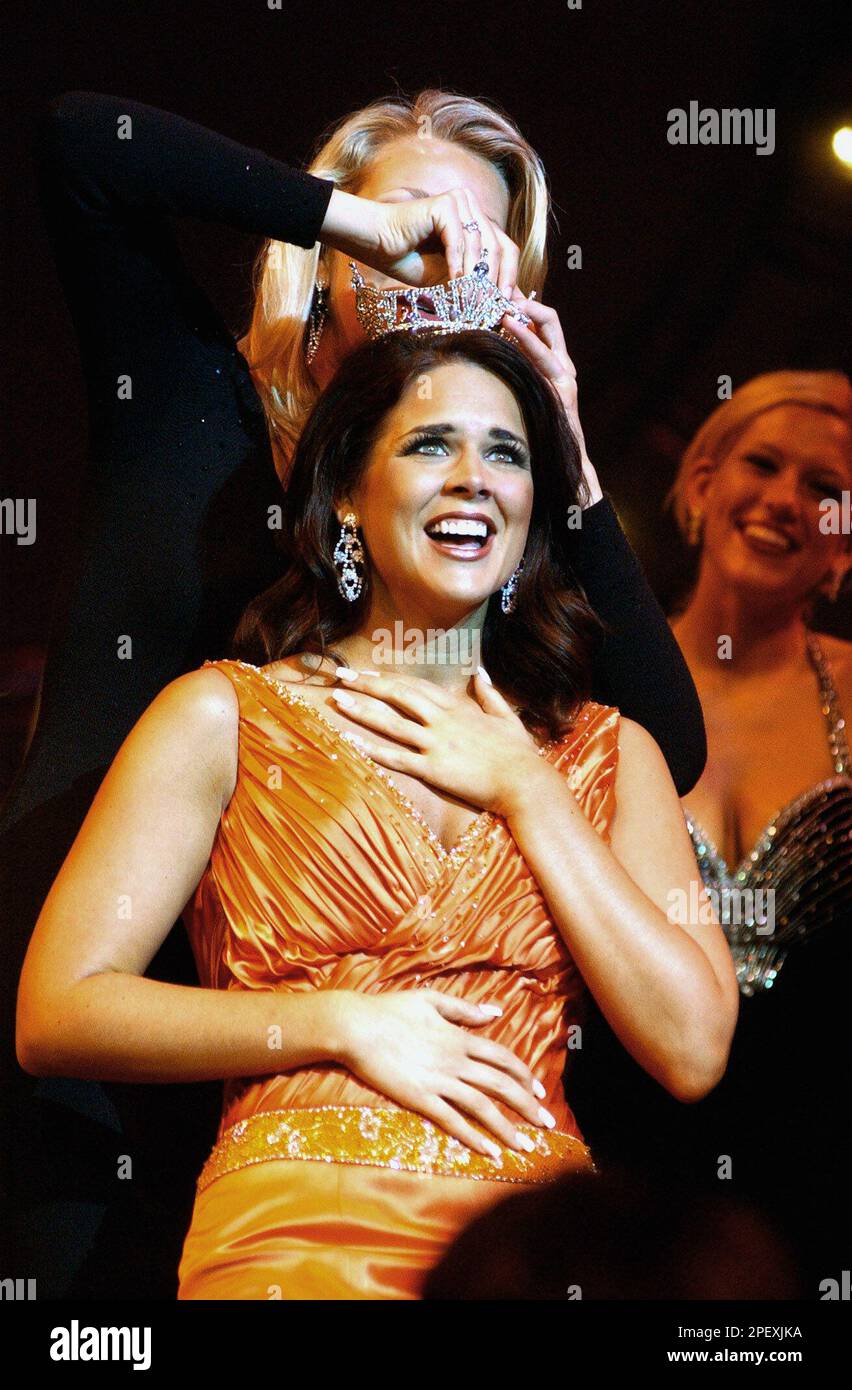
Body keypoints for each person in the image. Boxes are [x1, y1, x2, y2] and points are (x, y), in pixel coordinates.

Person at [2, 86, 704, 1298]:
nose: (445, 269)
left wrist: (569, 452)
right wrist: (358, 225)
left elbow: (665, 737)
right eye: (419, 232)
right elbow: (79, 142)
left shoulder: (493, 525)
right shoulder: (193, 411)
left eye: (480, 251)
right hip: (105, 1047)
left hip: (395, 1108)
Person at [573, 372, 852, 1293]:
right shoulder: (599, 671)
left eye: (825, 490)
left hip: (817, 1181)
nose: (785, 501)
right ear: (700, 484)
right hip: (598, 1148)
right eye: (762, 465)